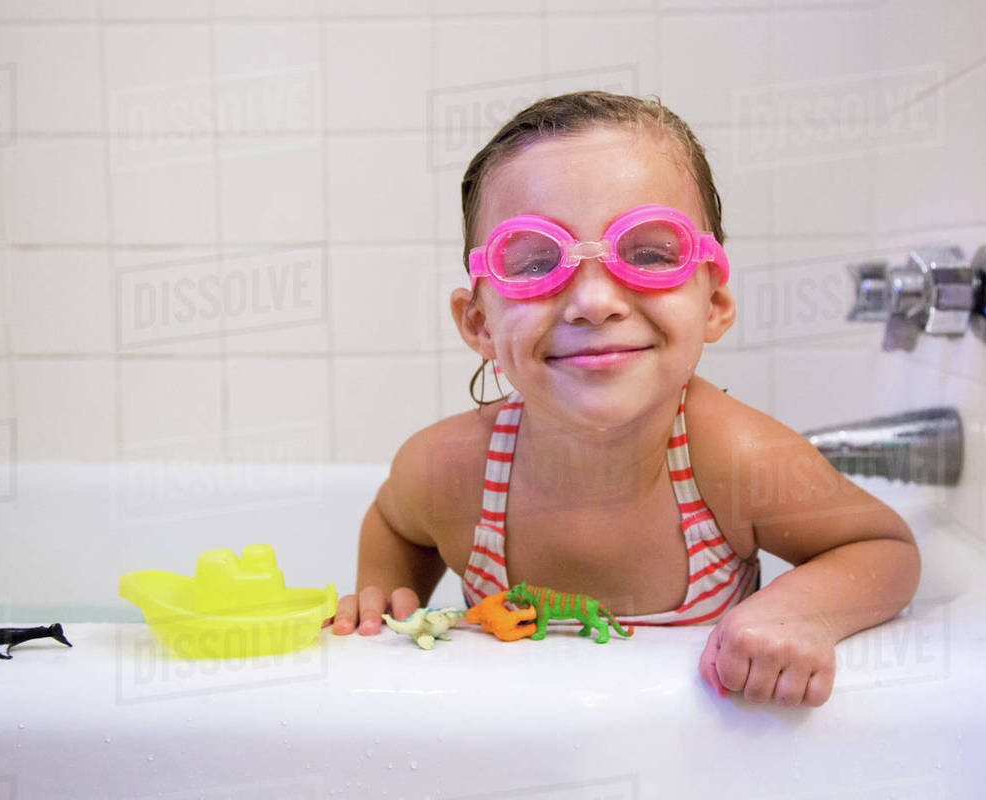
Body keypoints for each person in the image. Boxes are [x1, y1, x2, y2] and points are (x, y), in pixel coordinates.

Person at [331, 91, 920, 708]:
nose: (594, 302)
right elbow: (399, 527)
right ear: (478, 322)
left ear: (714, 303)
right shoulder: (448, 469)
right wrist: (388, 590)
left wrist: (801, 612)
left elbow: (882, 549)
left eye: (647, 254)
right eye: (535, 264)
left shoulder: (732, 457)